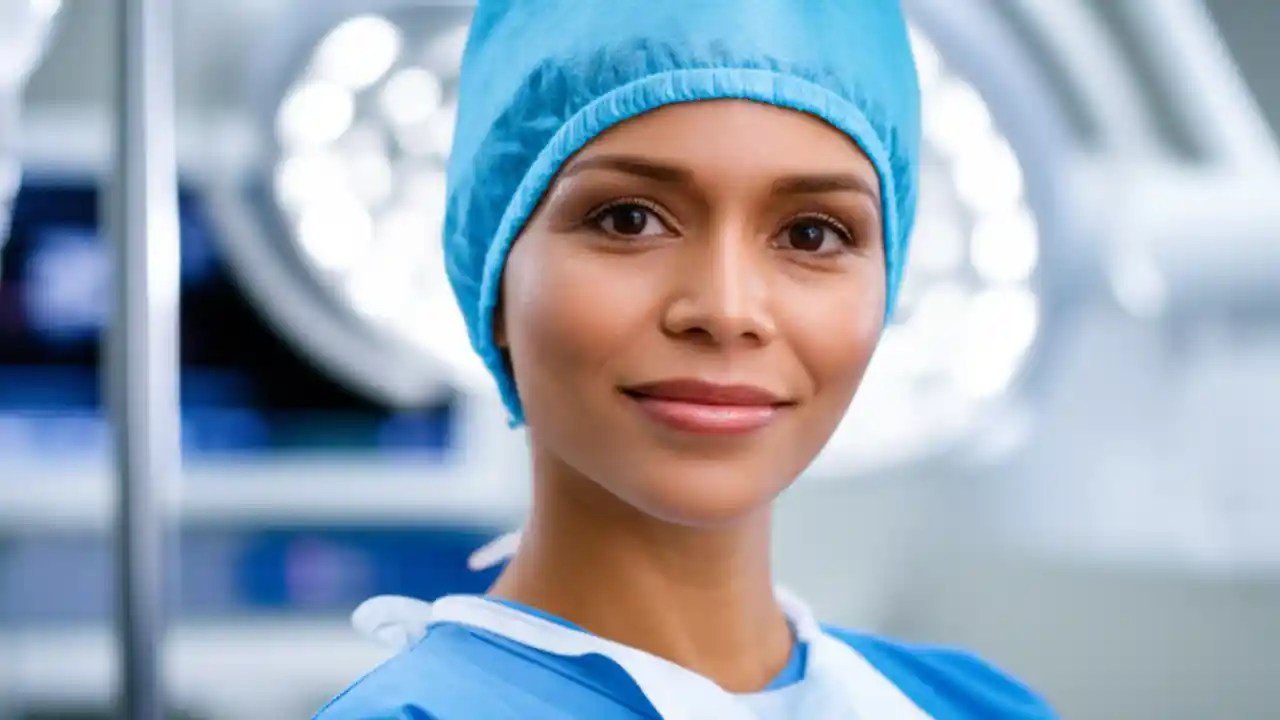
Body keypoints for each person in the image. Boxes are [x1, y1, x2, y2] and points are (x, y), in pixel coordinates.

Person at [316, 0, 1057, 717]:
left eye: (811, 235)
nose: (727, 309)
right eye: (629, 219)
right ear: (495, 273)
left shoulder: (977, 706)